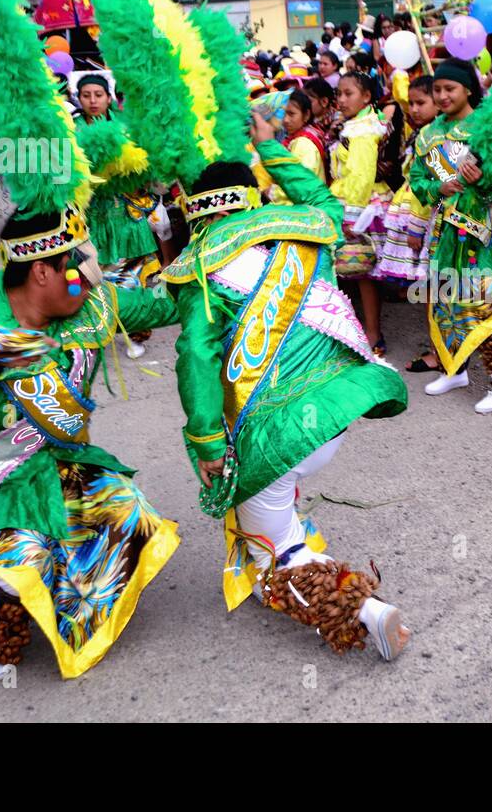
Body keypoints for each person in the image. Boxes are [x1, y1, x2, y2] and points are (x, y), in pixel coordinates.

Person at [0, 0, 183, 683]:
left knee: (127, 511)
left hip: (58, 450)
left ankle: (76, 602)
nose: (91, 275)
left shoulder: (80, 298)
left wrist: (206, 283)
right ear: (39, 274)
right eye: (78, 266)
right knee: (16, 559)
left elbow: (144, 305)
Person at [162, 115, 410, 662]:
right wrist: (268, 141)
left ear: (195, 210)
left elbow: (195, 358)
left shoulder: (200, 268)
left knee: (277, 545)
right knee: (278, 499)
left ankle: (365, 611)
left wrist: (205, 442)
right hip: (340, 407)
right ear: (250, 197)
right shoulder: (306, 227)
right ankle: (281, 552)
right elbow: (319, 192)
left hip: (283, 429)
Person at [410, 58, 492, 414]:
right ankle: (455, 368)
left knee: (488, 307)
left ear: (468, 88)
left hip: (484, 233)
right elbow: (417, 181)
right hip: (445, 234)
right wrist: (441, 186)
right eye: (436, 89)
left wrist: (480, 181)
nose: (442, 95)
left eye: (449, 89)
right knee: (446, 304)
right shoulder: (428, 134)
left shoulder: (488, 127)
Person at [71, 72, 168, 359]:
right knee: (91, 275)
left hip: (125, 214)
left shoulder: (125, 126)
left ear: (108, 97)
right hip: (89, 214)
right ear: (78, 97)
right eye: (86, 95)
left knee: (130, 275)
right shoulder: (70, 128)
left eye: (98, 95)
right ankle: (97, 327)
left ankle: (135, 332)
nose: (92, 101)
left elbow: (146, 164)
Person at [329, 72, 390, 353]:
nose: (341, 100)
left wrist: (352, 216)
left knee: (363, 272)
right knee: (353, 271)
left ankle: (373, 333)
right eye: (338, 94)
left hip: (360, 206)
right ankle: (358, 328)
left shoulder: (364, 129)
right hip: (348, 201)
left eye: (348, 94)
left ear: (366, 97)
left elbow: (361, 175)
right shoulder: (356, 124)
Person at [376, 74, 435, 287]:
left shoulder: (432, 135)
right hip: (412, 204)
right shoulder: (421, 131)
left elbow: (427, 181)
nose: (414, 109)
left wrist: (417, 227)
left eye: (421, 103)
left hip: (422, 208)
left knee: (428, 275)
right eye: (411, 103)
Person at [281, 89, 329, 184]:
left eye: (291, 114)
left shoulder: (303, 143)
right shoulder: (305, 135)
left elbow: (299, 184)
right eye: (283, 113)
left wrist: (271, 191)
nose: (285, 120)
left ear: (306, 115)